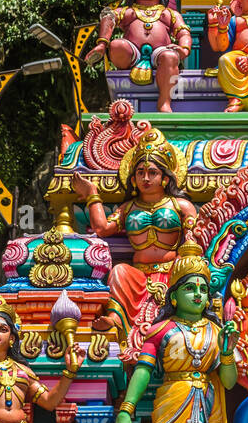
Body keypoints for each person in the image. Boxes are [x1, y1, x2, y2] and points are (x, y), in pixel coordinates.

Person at [112, 244, 240, 423]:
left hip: (206, 408)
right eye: (190, 288)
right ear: (173, 296)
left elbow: (229, 382)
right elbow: (143, 371)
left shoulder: (216, 330)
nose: (198, 294)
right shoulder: (160, 330)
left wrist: (228, 352)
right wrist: (126, 410)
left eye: (203, 289)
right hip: (172, 400)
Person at [72, 130, 195, 346]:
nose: (145, 178)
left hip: (173, 272)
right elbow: (101, 228)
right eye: (140, 172)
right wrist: (92, 193)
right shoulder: (129, 208)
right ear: (133, 176)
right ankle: (114, 320)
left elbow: (194, 243)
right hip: (139, 276)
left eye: (152, 172)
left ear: (165, 178)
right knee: (119, 271)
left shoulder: (180, 205)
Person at [84, 0, 191, 113]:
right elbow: (109, 17)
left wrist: (184, 49)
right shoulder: (128, 12)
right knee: (116, 45)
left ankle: (164, 102)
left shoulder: (169, 14)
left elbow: (183, 32)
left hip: (161, 52)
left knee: (169, 56)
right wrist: (102, 44)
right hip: (131, 53)